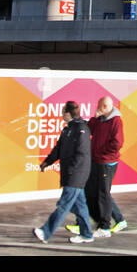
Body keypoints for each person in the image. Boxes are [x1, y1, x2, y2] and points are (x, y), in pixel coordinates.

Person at [33, 101, 95, 245]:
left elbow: (82, 154)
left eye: (63, 112)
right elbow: (58, 149)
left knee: (64, 204)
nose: (61, 115)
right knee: (80, 205)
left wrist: (72, 171)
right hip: (71, 174)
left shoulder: (82, 130)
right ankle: (86, 234)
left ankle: (45, 232)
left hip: (77, 174)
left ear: (68, 113)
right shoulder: (67, 130)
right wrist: (47, 162)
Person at [68, 95, 128, 236]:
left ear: (106, 107)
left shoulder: (116, 121)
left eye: (100, 106)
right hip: (96, 161)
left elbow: (118, 143)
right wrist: (95, 118)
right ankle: (116, 220)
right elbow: (90, 129)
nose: (97, 108)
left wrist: (101, 153)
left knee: (102, 194)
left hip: (106, 163)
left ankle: (104, 226)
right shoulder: (100, 120)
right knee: (92, 192)